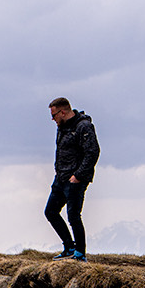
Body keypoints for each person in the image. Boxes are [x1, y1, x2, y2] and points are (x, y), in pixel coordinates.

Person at [44, 97, 99, 260]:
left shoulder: (83, 127)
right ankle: (69, 247)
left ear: (63, 112)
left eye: (54, 115)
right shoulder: (61, 127)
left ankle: (80, 253)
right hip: (60, 178)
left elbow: (93, 152)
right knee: (50, 211)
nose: (52, 119)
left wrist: (78, 176)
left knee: (73, 215)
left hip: (75, 179)